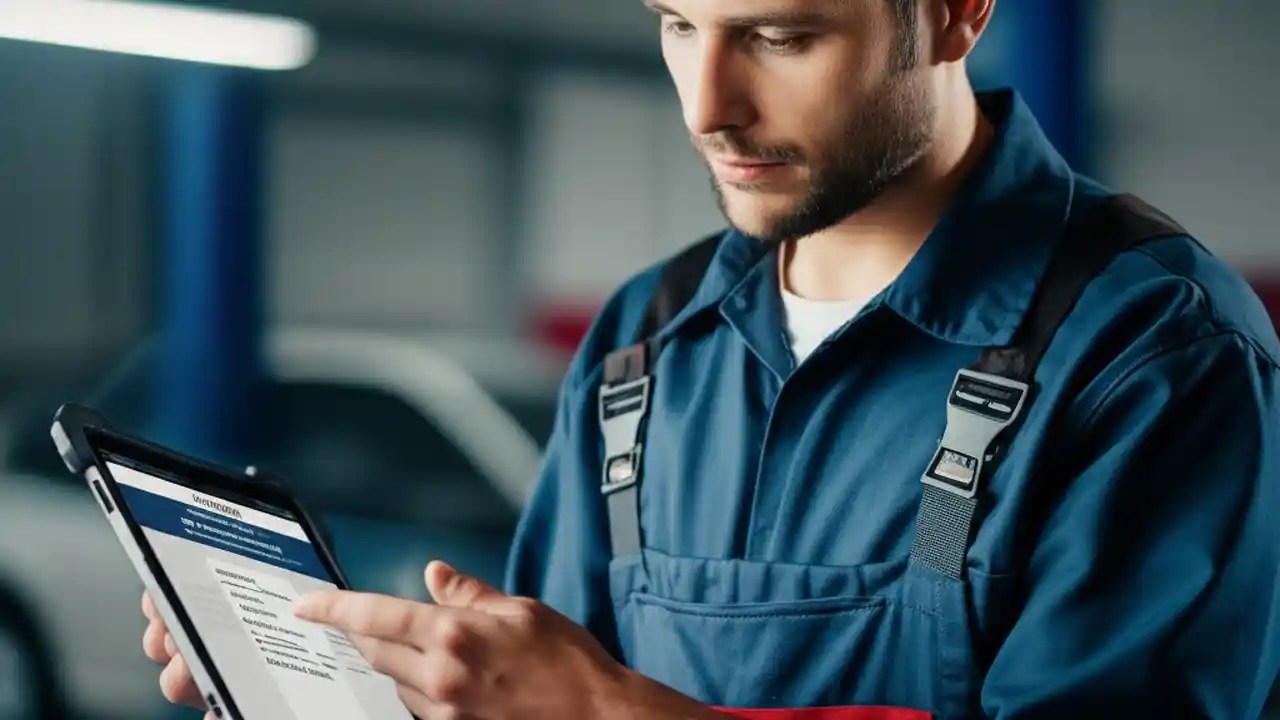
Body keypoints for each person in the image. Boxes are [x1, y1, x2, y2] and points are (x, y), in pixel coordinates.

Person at [141, 0, 1280, 717]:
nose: (707, 105)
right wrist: (344, 682)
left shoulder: (1151, 350)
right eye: (677, 24)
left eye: (778, 37)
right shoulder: (647, 337)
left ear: (953, 16)